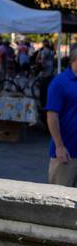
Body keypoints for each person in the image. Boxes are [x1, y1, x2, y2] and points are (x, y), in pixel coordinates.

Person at [46, 44, 77, 186]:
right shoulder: (60, 83)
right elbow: (52, 116)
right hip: (67, 153)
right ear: (74, 59)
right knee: (60, 199)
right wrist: (59, 146)